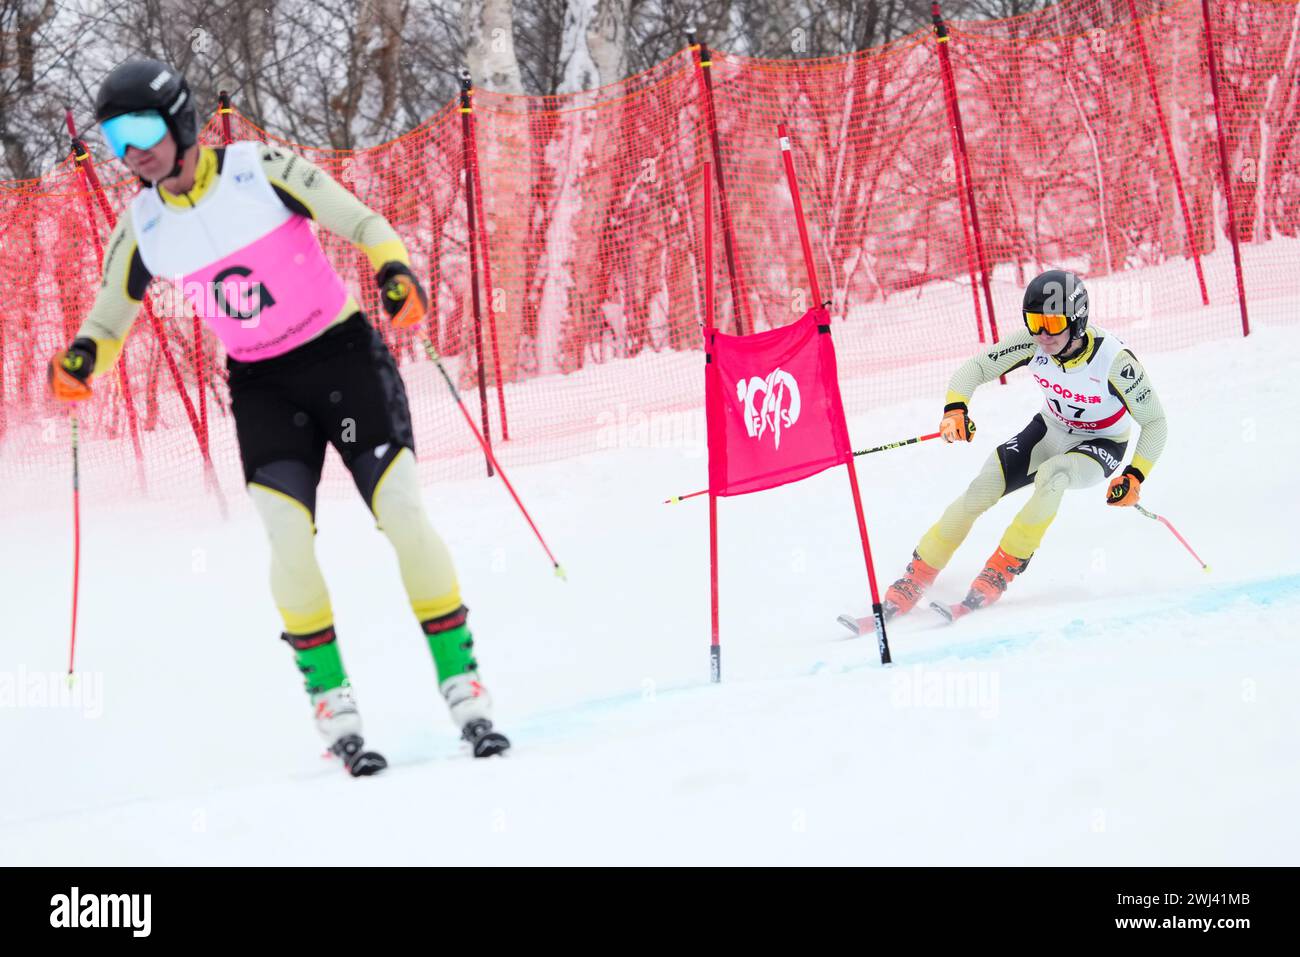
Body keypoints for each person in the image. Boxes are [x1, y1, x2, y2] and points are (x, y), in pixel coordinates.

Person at [48, 59, 509, 775]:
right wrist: (82, 357)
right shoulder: (141, 224)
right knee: (288, 539)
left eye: (141, 126)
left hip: (344, 363)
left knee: (404, 515)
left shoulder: (258, 169)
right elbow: (112, 312)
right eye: (115, 136)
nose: (131, 149)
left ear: (178, 118)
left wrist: (394, 270)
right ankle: (334, 704)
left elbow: (360, 220)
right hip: (265, 386)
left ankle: (464, 685)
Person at [882, 269, 1168, 619]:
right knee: (980, 489)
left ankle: (1002, 568)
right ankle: (918, 575)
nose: (1042, 333)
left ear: (1077, 321)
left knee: (1054, 475)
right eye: (1034, 321)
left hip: (1102, 442)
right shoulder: (1033, 342)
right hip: (1051, 429)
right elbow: (974, 369)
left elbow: (1155, 421)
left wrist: (1135, 475)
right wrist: (955, 409)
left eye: (1052, 322)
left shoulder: (1114, 361)